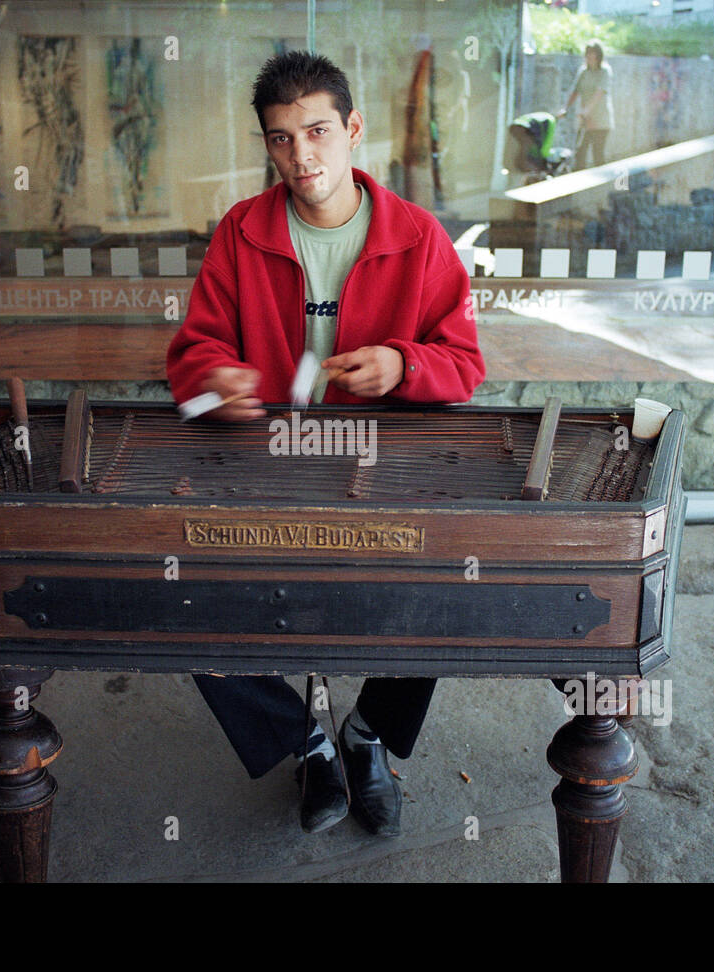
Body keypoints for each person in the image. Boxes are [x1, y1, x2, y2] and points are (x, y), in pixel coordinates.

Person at [166, 51, 486, 837]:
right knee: (179, 594)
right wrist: (220, 383)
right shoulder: (241, 233)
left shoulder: (417, 237)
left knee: (445, 585)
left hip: (386, 464)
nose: (300, 157)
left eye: (316, 132)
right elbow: (191, 361)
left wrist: (403, 363)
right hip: (268, 463)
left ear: (352, 130)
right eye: (280, 139)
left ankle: (367, 733)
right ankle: (301, 737)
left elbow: (465, 365)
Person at [558, 40, 613, 170]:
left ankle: (601, 187)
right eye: (587, 53)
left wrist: (587, 110)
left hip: (600, 120)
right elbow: (575, 91)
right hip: (585, 120)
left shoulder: (605, 71)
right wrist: (565, 108)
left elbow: (599, 93)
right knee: (580, 152)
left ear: (598, 55)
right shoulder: (583, 71)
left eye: (592, 53)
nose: (589, 56)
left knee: (597, 155)